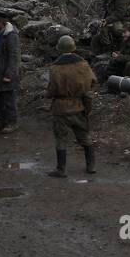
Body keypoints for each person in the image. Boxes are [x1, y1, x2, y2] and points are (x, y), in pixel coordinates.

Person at [45, 35, 97, 179]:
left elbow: (52, 90)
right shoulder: (83, 64)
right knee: (84, 136)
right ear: (73, 48)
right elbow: (92, 81)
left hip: (60, 108)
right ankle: (91, 165)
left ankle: (61, 170)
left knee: (61, 138)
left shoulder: (55, 68)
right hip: (79, 106)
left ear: (59, 49)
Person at [0, 8, 21, 134]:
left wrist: (9, 74)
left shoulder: (11, 36)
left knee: (9, 99)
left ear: (1, 23)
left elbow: (14, 56)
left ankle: (12, 122)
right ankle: (2, 119)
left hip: (7, 72)